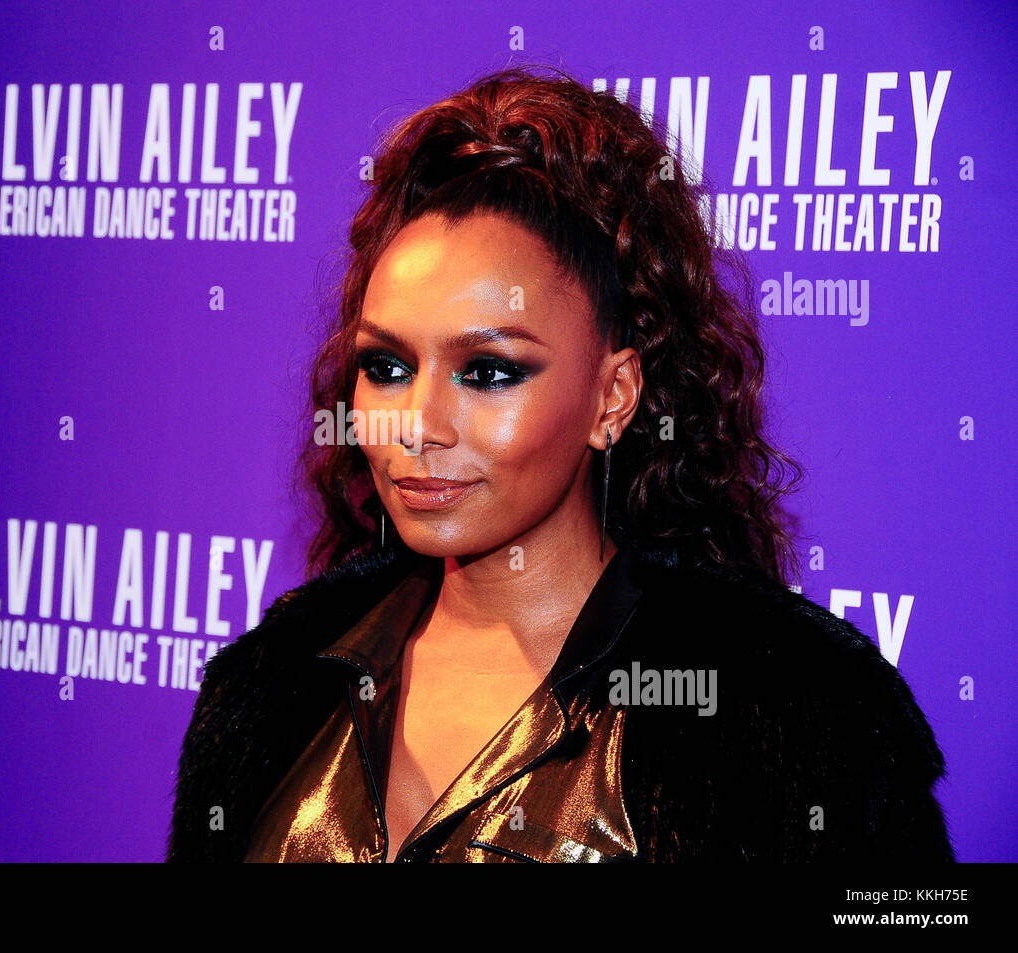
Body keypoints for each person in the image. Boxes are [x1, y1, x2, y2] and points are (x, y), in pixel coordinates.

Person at [166, 66, 954, 862]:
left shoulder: (794, 722)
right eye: (387, 366)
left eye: (490, 372)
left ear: (612, 397)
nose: (417, 424)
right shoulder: (272, 687)